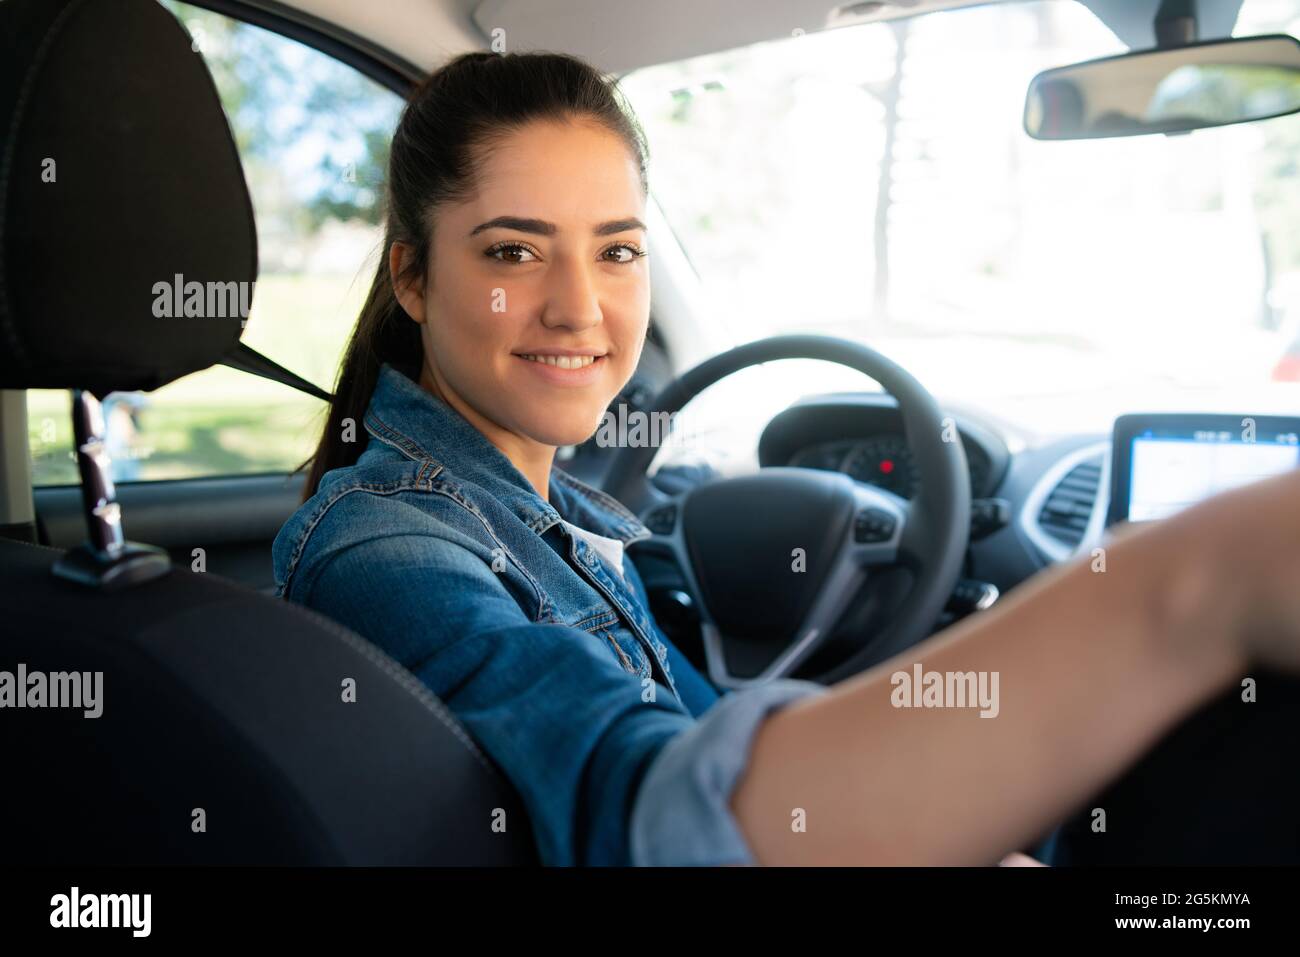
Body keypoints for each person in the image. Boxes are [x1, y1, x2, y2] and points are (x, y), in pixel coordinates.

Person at [272, 50, 1300, 866]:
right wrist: (1187, 581)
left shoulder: (565, 521)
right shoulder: (385, 551)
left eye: (618, 250)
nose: (580, 307)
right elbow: (645, 822)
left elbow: (699, 739)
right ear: (412, 277)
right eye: (513, 251)